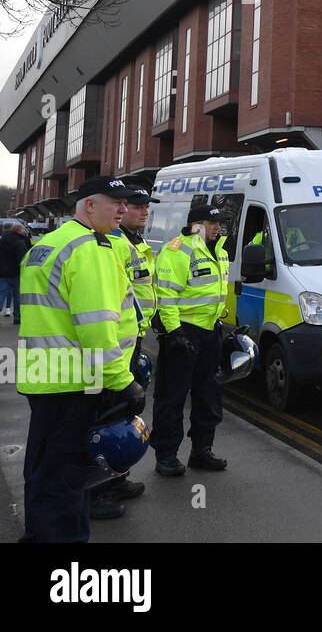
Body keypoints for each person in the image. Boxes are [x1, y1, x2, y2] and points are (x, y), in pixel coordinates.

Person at [18, 176, 143, 542]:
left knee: (43, 470)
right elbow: (97, 328)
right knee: (70, 478)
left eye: (124, 203)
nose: (123, 209)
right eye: (114, 202)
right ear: (89, 205)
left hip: (44, 376)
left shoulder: (48, 244)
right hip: (75, 380)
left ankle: (38, 535)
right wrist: (123, 382)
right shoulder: (90, 249)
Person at [88, 186, 160, 519]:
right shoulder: (110, 244)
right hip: (110, 346)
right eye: (137, 206)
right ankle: (96, 491)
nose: (144, 211)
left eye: (147, 207)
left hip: (131, 341)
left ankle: (116, 478)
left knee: (120, 418)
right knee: (101, 420)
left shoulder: (135, 245)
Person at [151, 205, 231, 476]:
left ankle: (202, 450)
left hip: (210, 331)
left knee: (209, 393)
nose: (216, 227)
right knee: (172, 396)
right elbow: (166, 296)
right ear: (195, 225)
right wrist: (174, 333)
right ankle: (166, 455)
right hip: (183, 331)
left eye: (218, 222)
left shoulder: (219, 250)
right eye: (211, 222)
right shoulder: (177, 250)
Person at [0, 220, 32, 323]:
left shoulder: (1, 240)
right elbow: (22, 259)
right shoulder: (19, 242)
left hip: (2, 273)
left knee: (1, 294)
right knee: (17, 295)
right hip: (16, 273)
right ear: (19, 231)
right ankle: (17, 317)